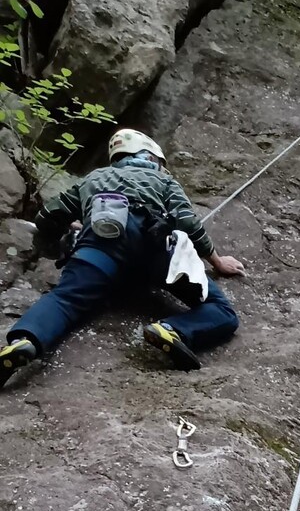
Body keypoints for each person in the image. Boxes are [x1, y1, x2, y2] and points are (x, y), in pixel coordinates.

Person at [0, 128, 245, 390]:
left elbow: (47, 217)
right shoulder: (162, 181)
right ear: (152, 158)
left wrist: (63, 238)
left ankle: (24, 341)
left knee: (64, 300)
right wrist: (217, 261)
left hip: (98, 249)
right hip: (153, 254)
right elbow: (187, 222)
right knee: (222, 311)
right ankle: (172, 330)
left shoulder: (94, 178)